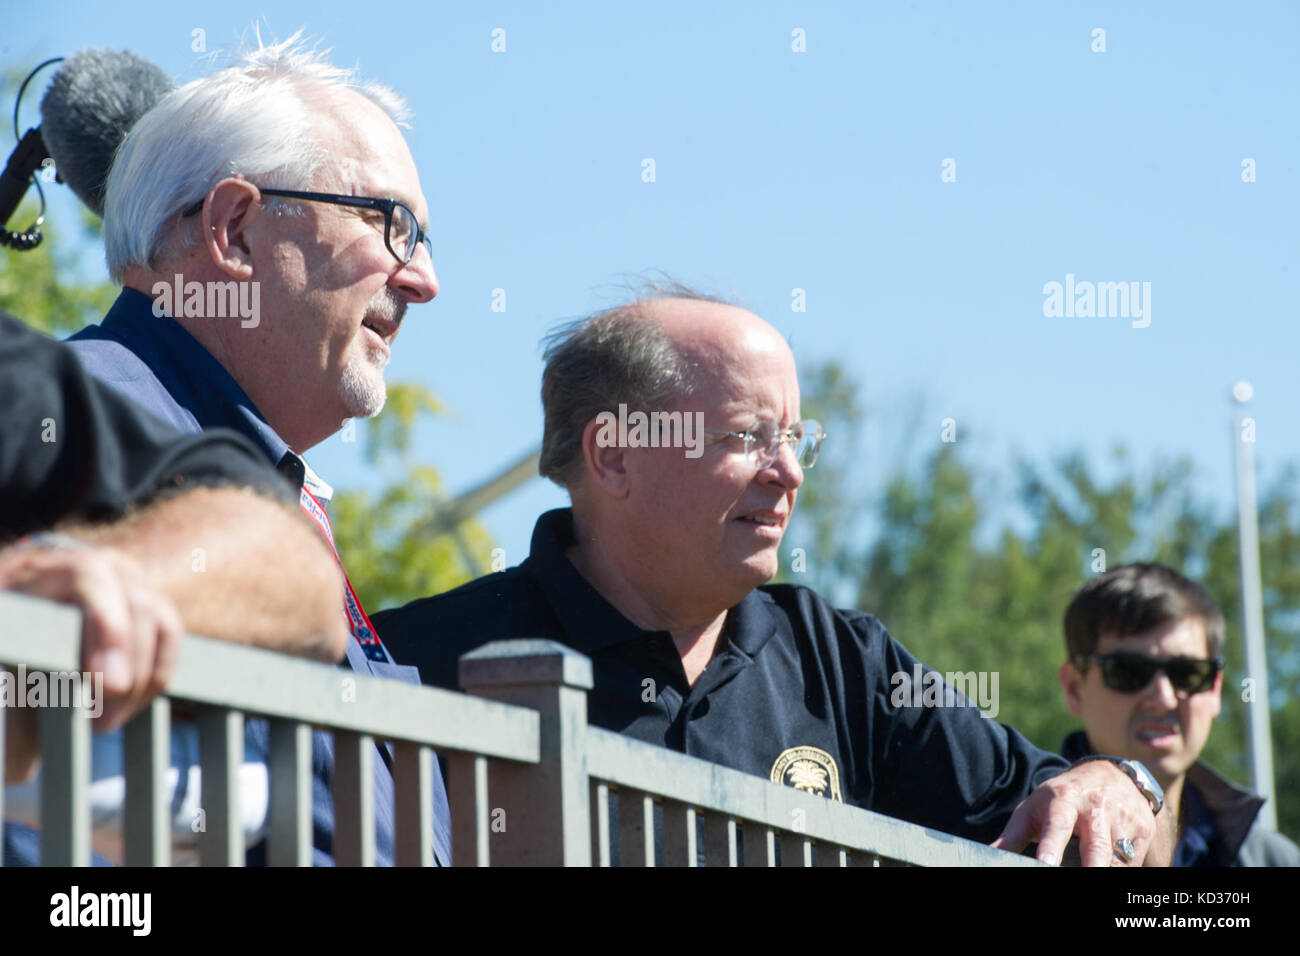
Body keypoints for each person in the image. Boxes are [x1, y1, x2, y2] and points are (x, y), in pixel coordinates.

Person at [375, 286, 1171, 866]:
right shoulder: (410, 663)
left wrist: (1120, 782)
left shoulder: (845, 663)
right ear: (613, 454)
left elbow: (1064, 814)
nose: (788, 472)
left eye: (796, 439)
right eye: (748, 437)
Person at [57, 34, 449, 866]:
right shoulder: (82, 431)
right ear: (234, 229)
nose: (423, 279)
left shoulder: (236, 471)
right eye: (391, 224)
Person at [1, 311, 348, 857]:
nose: (424, 285)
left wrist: (93, 597)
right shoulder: (117, 371)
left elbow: (294, 563)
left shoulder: (24, 380)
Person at [1058, 562, 1300, 866]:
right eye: (1129, 672)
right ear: (1074, 689)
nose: (1163, 699)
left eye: (1187, 674)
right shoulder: (1018, 841)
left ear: (1215, 689)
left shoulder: (1273, 860)